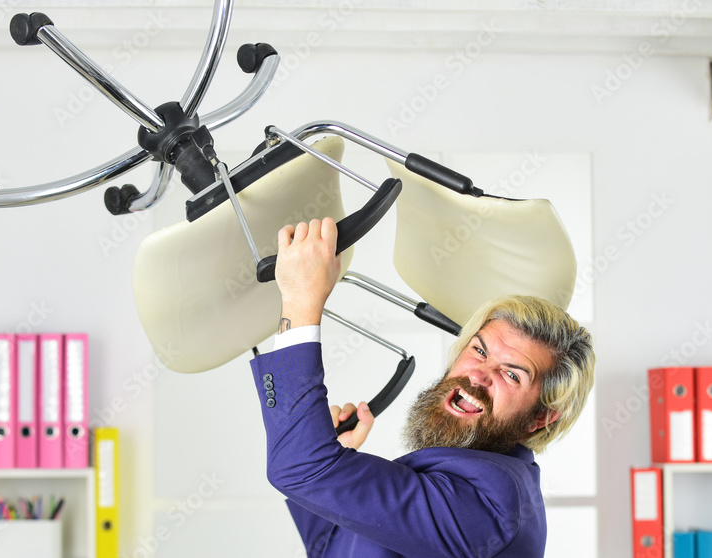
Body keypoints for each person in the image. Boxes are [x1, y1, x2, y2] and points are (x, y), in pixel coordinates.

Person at [251, 218, 595, 557]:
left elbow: (297, 468)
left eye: (512, 375)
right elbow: (334, 549)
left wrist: (301, 299)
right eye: (478, 350)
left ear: (541, 417)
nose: (478, 375)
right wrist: (335, 466)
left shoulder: (493, 508)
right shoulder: (472, 474)